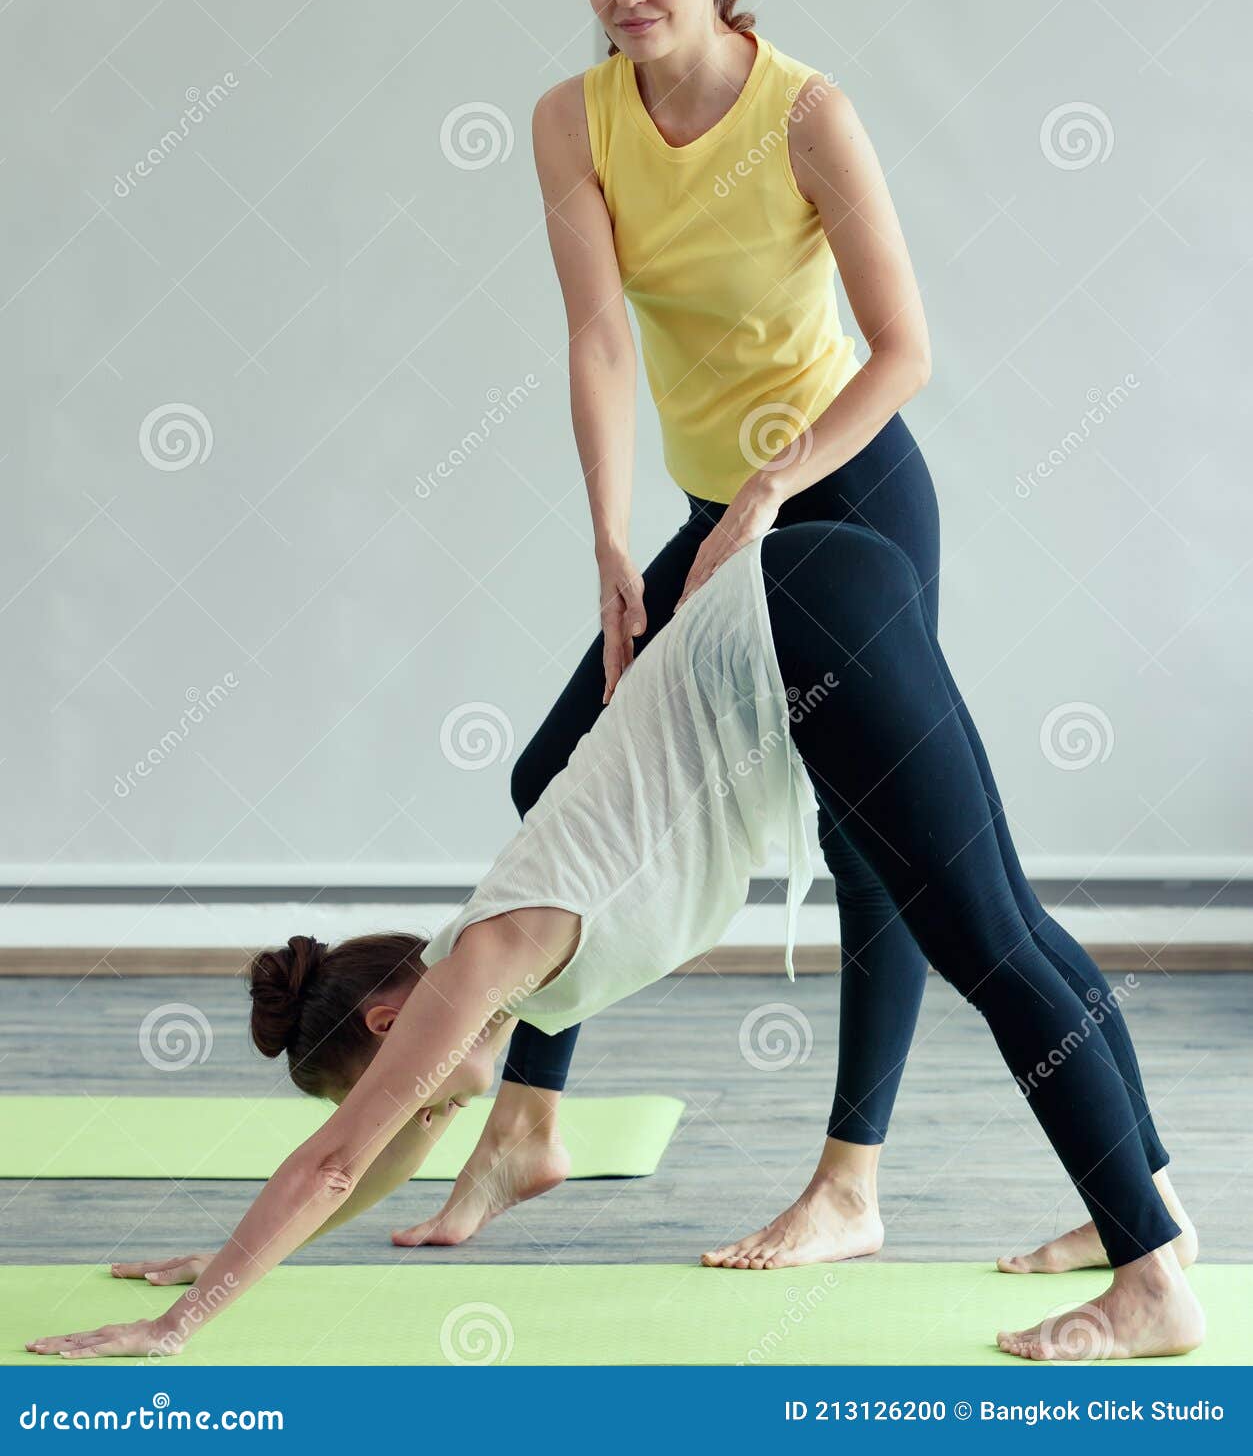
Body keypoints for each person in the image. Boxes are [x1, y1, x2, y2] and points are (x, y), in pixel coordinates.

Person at [409, 0, 1195, 1284]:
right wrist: (608, 538)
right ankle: (530, 1113)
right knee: (555, 774)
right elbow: (595, 336)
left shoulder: (806, 115)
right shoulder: (572, 119)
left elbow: (903, 352)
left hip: (846, 500)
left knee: (893, 859)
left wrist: (767, 483)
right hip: (719, 518)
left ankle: (853, 1180)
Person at [27, 523, 1204, 1361]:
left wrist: (181, 1326)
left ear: (390, 1024)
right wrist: (235, 1255)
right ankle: (1151, 1216)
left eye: (415, 1097)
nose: (430, 1117)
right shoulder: (484, 971)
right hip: (819, 592)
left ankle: (1148, 1281)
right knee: (1010, 930)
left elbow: (340, 1153)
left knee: (987, 948)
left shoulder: (486, 956)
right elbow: (367, 1162)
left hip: (801, 619)